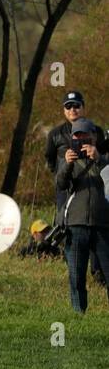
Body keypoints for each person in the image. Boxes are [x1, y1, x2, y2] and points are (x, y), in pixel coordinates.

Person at [55, 118, 109, 313]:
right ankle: (79, 314)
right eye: (77, 135)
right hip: (75, 225)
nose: (80, 138)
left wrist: (99, 159)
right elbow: (61, 184)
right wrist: (68, 164)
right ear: (72, 138)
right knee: (76, 275)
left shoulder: (104, 159)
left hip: (103, 225)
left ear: (93, 136)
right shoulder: (67, 160)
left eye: (85, 134)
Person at [45, 91, 109, 219]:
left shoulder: (96, 131)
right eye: (68, 106)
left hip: (93, 182)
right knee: (64, 218)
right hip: (67, 181)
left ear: (83, 107)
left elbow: (103, 154)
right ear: (63, 110)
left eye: (76, 106)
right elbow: (50, 159)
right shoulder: (55, 133)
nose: (72, 110)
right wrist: (63, 169)